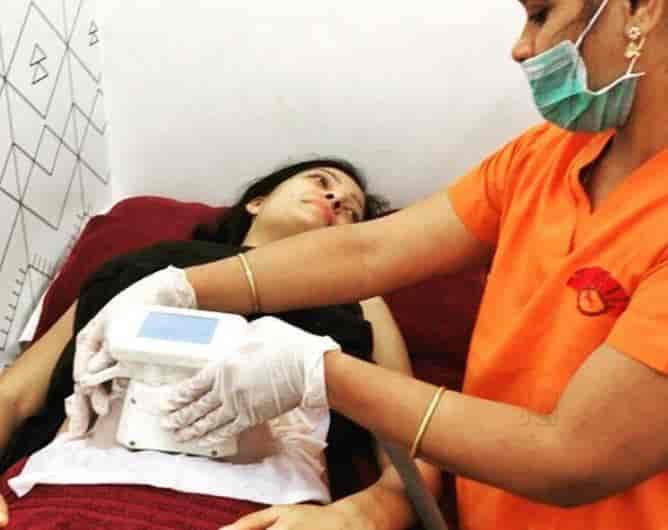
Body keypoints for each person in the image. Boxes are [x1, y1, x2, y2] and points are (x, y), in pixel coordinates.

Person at [70, 1, 668, 529]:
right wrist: (176, 285)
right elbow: (369, 251)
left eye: (540, 13)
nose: (521, 46)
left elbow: (571, 457)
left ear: (642, 8)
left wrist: (320, 374)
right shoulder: (544, 158)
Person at [0, 159, 442, 530]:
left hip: (259, 509)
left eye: (352, 212)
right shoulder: (140, 267)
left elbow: (414, 441)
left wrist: (368, 513)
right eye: (320, 181)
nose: (336, 199)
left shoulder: (360, 299)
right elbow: (15, 394)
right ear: (257, 201)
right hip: (65, 489)